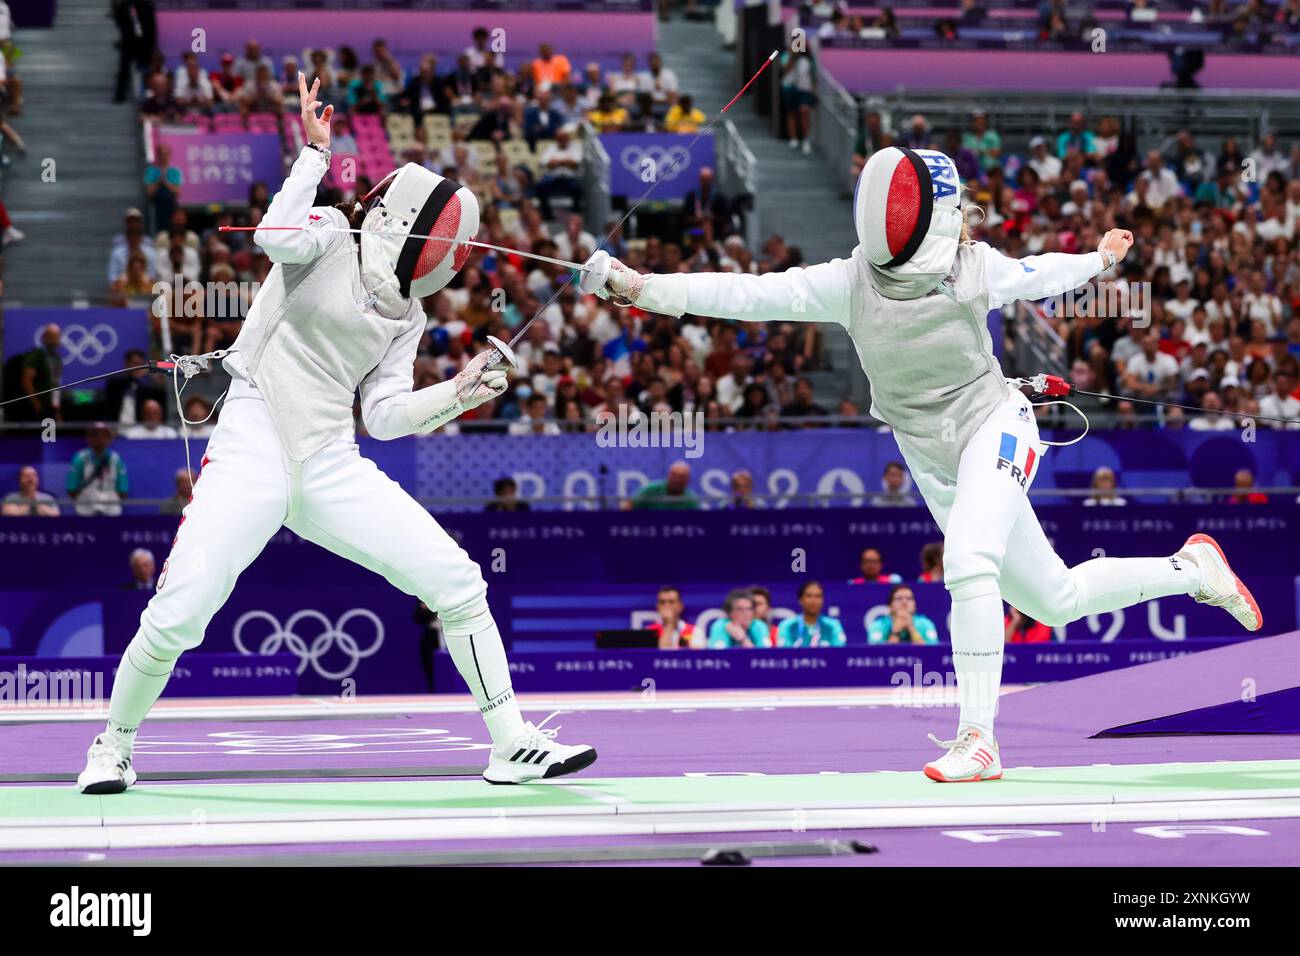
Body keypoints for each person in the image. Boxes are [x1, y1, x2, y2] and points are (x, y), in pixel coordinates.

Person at [583, 144, 1261, 783]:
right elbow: (745, 294)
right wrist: (640, 287)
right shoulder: (848, 282)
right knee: (1052, 601)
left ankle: (979, 738)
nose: (964, 224)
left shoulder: (976, 269)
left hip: (995, 424)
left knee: (968, 561)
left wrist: (1098, 261)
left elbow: (1040, 274)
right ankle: (1189, 570)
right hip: (930, 454)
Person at [76, 75, 595, 796]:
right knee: (181, 610)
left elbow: (383, 415)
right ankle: (114, 745)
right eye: (451, 240)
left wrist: (458, 394)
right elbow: (269, 237)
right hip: (254, 437)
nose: (456, 255)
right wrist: (314, 156)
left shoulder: (406, 316)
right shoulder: (329, 235)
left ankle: (510, 742)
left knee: (456, 580)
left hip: (327, 458)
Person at [67, 423, 129, 516]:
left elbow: (123, 491)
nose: (100, 440)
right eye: (95, 436)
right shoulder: (80, 459)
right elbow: (71, 490)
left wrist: (109, 498)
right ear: (89, 439)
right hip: (86, 506)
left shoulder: (116, 460)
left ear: (110, 439)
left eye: (104, 436)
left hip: (111, 506)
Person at [776, 580, 846, 647]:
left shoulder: (833, 625)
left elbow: (840, 653)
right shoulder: (786, 626)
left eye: (818, 596)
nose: (813, 600)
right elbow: (783, 655)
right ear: (800, 600)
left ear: (822, 600)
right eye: (809, 596)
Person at [868, 584, 939, 644]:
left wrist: (912, 629)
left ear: (914, 605)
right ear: (890, 606)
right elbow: (878, 655)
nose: (904, 602)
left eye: (909, 598)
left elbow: (931, 653)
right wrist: (896, 632)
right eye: (899, 599)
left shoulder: (925, 624)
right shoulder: (878, 625)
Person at [706, 589, 770, 648]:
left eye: (749, 609)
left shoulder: (759, 626)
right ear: (730, 612)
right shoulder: (720, 626)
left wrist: (743, 639)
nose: (746, 614)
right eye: (740, 609)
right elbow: (718, 656)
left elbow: (766, 656)